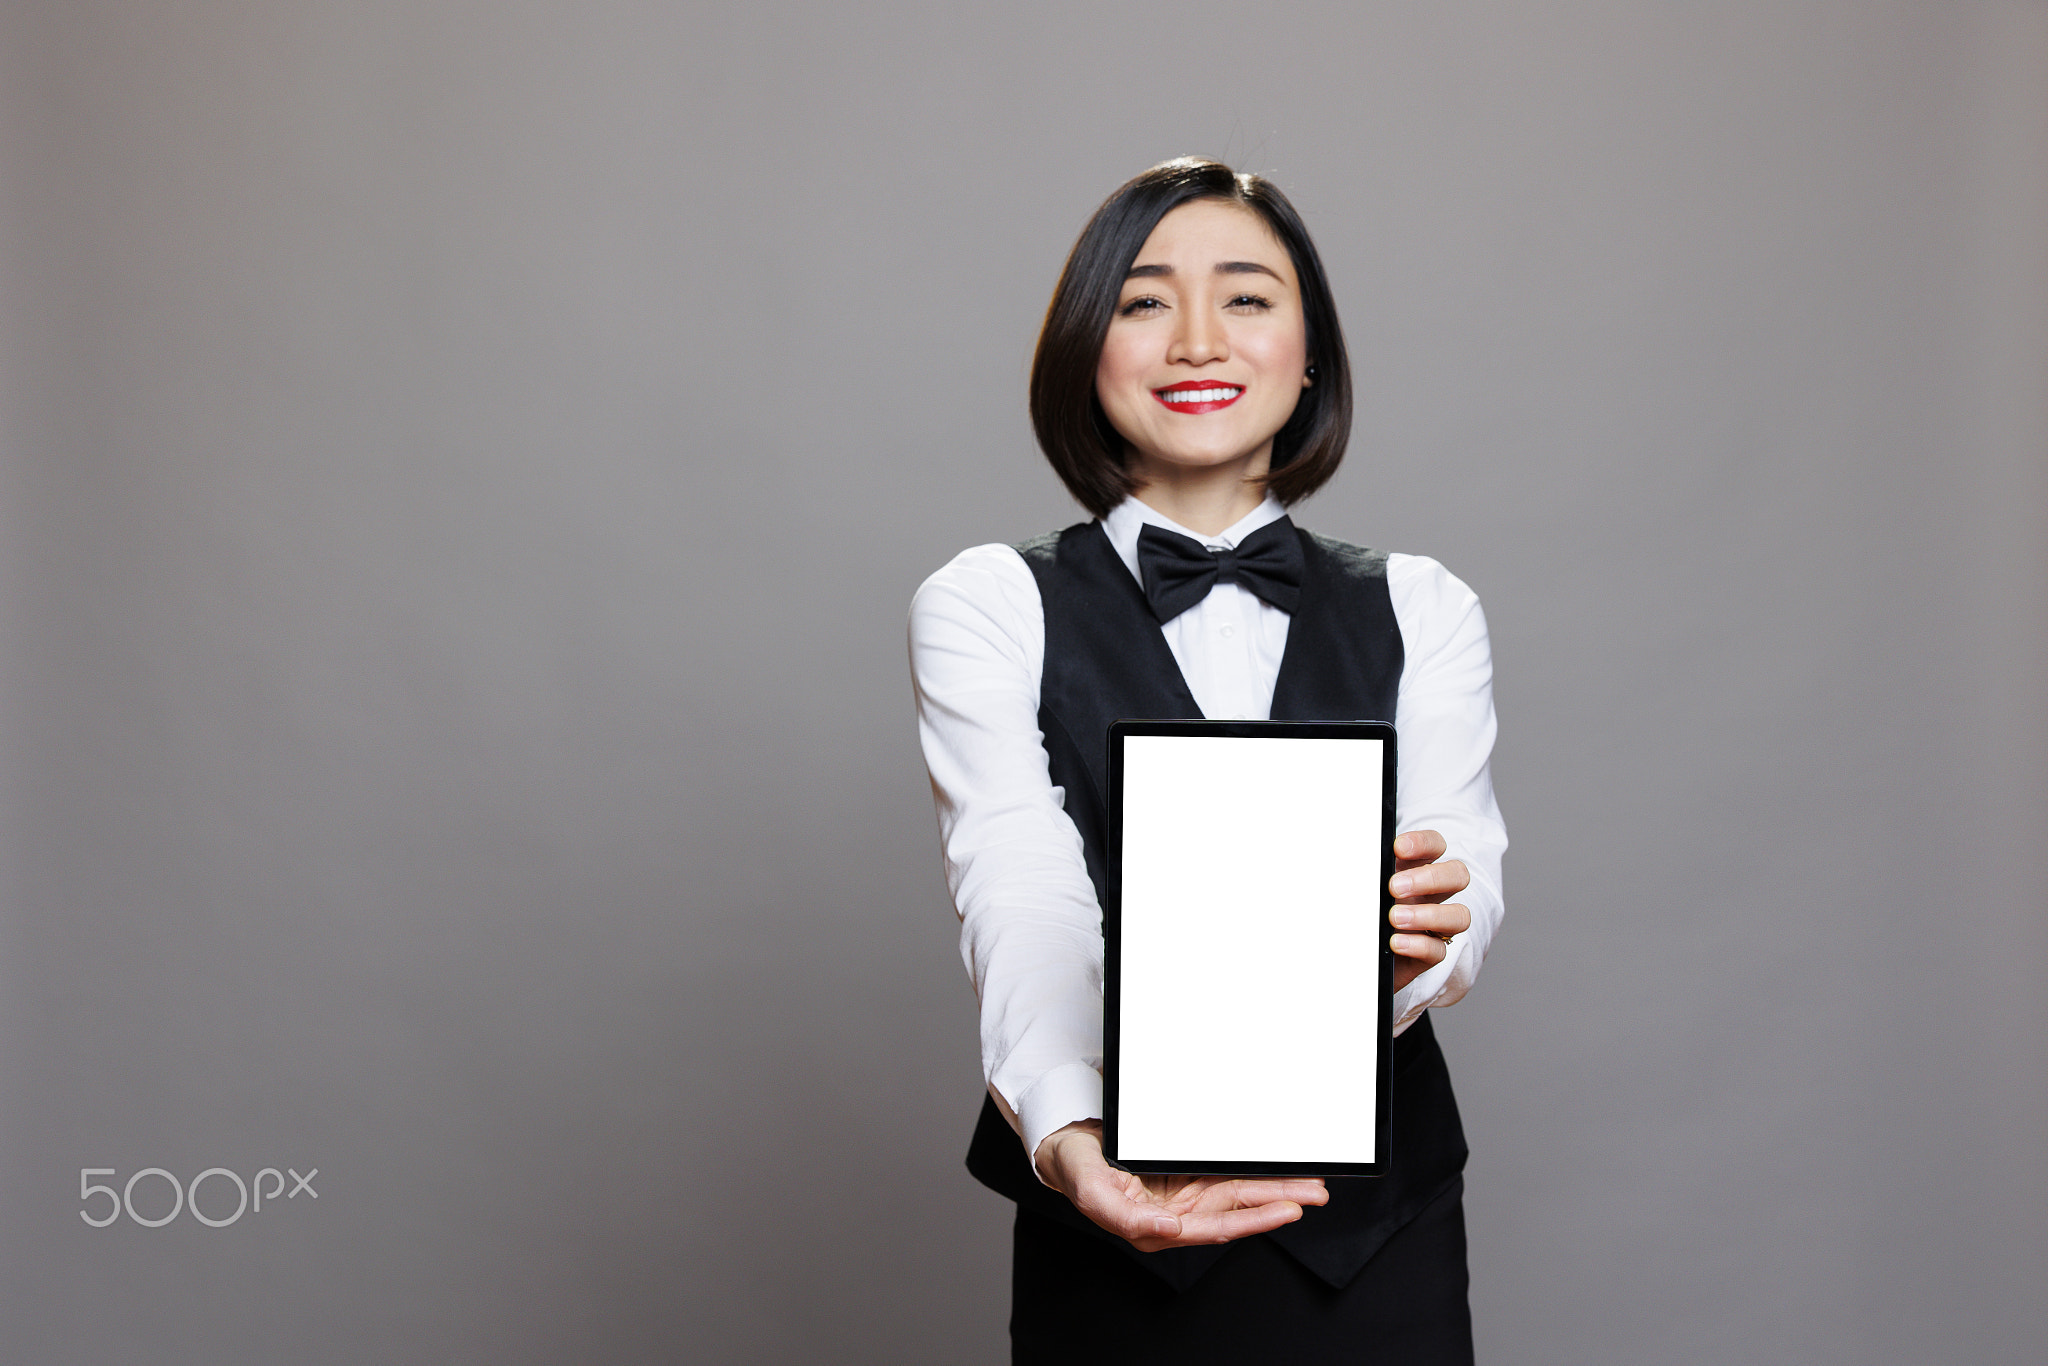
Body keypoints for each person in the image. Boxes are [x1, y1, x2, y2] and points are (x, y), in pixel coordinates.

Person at [908, 157, 1507, 1364]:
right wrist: (1071, 1136)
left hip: (1373, 1231)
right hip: (1112, 1212)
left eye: (1244, 297)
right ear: (1086, 346)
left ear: (1311, 353)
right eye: (1140, 301)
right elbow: (1020, 885)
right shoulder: (987, 600)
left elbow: (1465, 872)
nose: (1195, 340)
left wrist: (1427, 931)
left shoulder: (1423, 604)